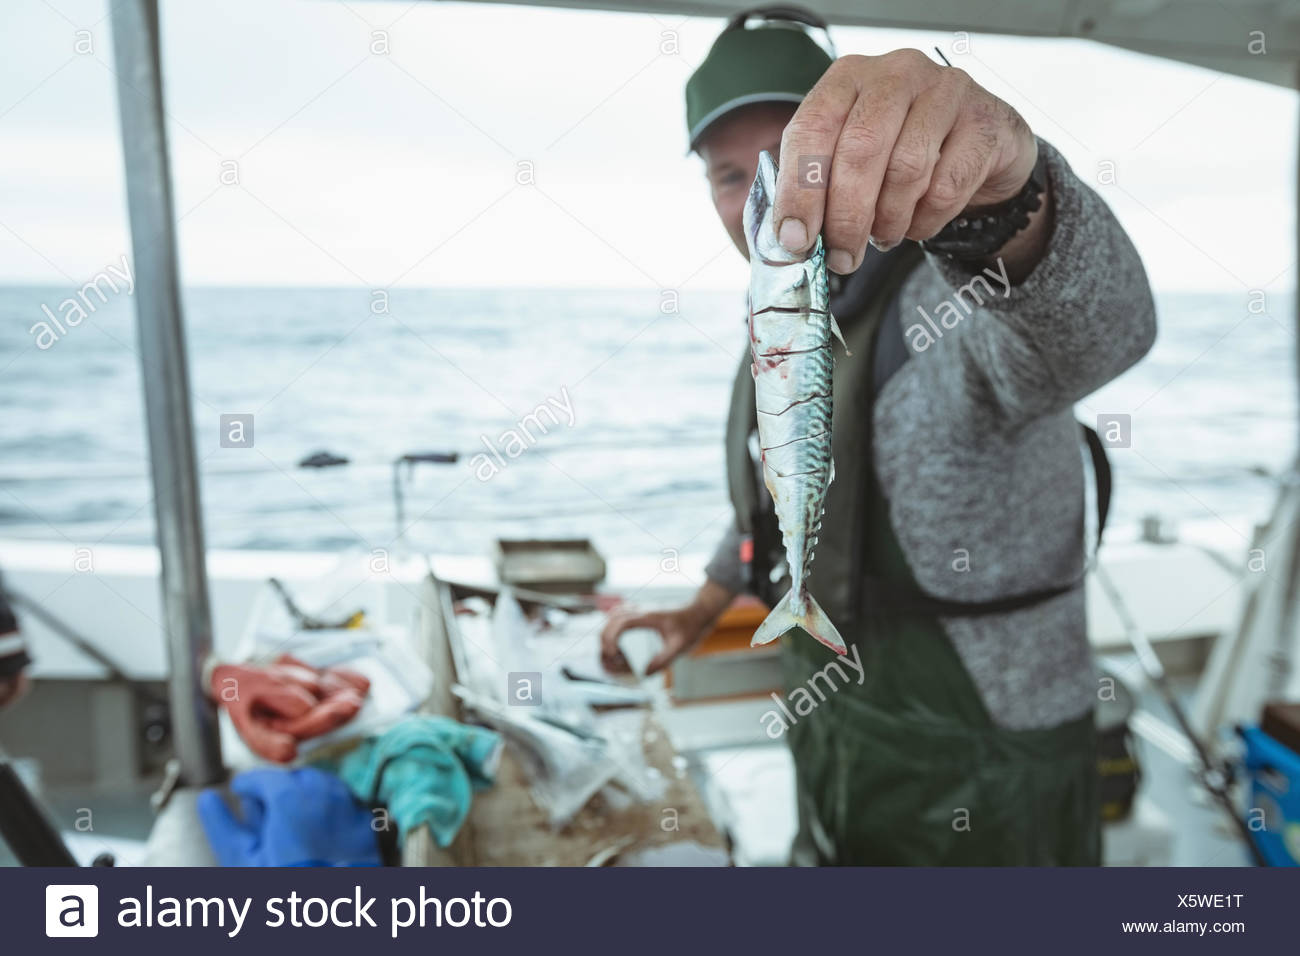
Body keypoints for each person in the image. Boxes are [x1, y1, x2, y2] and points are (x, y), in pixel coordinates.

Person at [601, 8, 1156, 865]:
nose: (762, 194)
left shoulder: (964, 298)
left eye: (789, 157)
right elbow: (786, 490)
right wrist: (697, 610)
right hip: (833, 740)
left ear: (865, 146)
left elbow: (1106, 330)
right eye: (726, 175)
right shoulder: (782, 325)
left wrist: (1011, 198)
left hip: (991, 768)